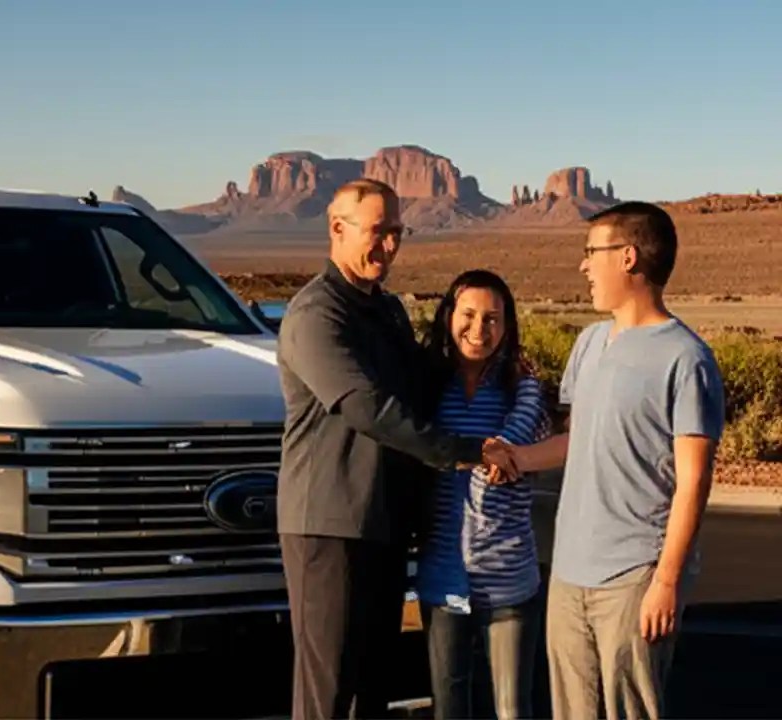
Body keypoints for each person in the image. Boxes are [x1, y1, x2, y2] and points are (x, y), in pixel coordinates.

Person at [275, 179, 512, 720]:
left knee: (371, 685)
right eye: (377, 232)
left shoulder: (386, 311)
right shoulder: (316, 314)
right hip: (330, 524)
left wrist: (490, 368)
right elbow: (368, 407)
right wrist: (463, 450)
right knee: (328, 687)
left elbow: (420, 385)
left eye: (397, 234)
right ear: (337, 228)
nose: (389, 246)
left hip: (381, 522)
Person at [487, 201, 725, 719]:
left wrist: (666, 581)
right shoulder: (590, 343)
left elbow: (693, 482)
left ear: (628, 257)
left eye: (592, 252)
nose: (583, 265)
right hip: (570, 573)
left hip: (634, 574)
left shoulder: (686, 359)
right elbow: (579, 440)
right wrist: (515, 457)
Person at [413, 269, 551, 720]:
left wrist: (498, 453)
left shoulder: (521, 387)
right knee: (449, 704)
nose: (479, 329)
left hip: (509, 579)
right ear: (449, 316)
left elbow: (518, 444)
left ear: (507, 326)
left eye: (493, 319)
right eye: (468, 315)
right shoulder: (428, 385)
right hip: (445, 579)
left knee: (512, 708)